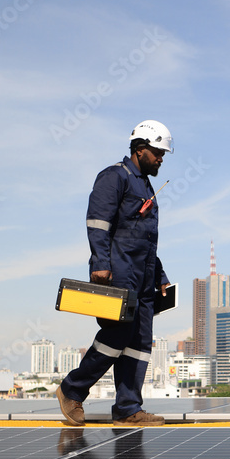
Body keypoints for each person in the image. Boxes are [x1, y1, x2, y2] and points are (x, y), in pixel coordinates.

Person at [57, 120, 173, 427]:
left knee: (140, 342)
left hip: (144, 276)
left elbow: (146, 240)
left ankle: (128, 409)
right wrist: (100, 264)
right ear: (139, 148)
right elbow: (98, 221)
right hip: (119, 271)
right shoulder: (114, 177)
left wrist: (160, 276)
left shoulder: (146, 187)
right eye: (158, 152)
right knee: (117, 335)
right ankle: (72, 389)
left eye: (163, 153)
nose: (161, 158)